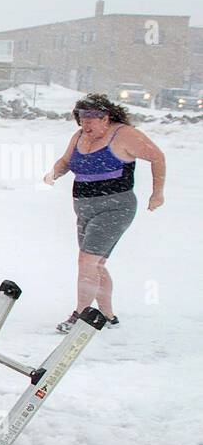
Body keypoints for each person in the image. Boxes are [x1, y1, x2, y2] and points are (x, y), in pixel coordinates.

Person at [43, 92, 165, 332]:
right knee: (95, 264)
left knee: (87, 261)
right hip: (84, 207)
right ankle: (108, 316)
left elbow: (157, 157)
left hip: (115, 207)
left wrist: (157, 193)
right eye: (82, 117)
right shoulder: (80, 136)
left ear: (106, 117)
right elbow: (66, 161)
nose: (86, 123)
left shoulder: (125, 135)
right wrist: (53, 174)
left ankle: (79, 316)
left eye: (92, 117)